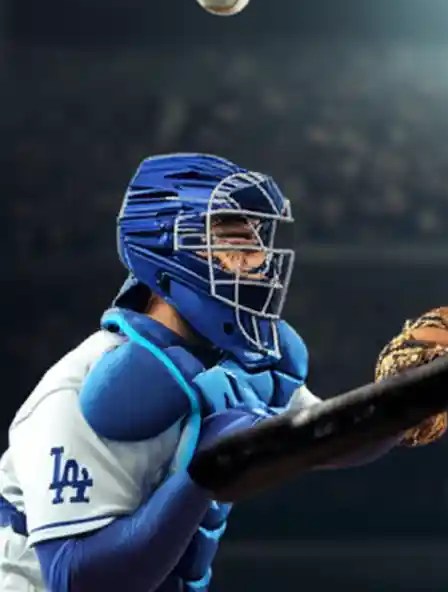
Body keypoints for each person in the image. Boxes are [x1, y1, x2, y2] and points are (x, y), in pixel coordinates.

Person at [0, 153, 397, 592]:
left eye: (257, 240)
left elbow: (325, 439)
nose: (257, 261)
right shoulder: (76, 394)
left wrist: (413, 396)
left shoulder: (238, 361)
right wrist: (200, 476)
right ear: (166, 252)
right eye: (232, 241)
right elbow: (77, 577)